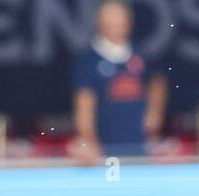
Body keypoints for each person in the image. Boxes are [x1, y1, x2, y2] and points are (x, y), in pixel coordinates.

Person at [71, 0, 166, 160]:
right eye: (109, 17)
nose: (114, 22)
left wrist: (154, 112)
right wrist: (89, 140)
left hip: (139, 145)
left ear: (128, 21)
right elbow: (84, 105)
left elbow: (158, 82)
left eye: (118, 17)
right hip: (105, 145)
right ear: (98, 21)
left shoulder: (140, 55)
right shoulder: (88, 61)